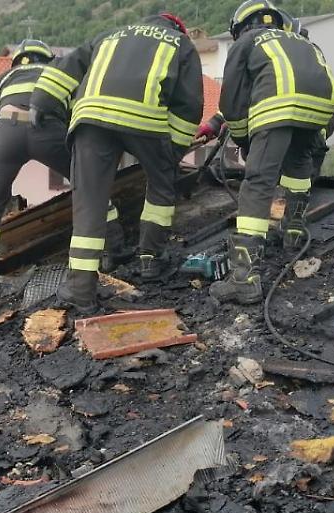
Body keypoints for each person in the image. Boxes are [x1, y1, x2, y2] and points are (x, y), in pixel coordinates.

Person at [30, 13, 204, 313]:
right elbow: (189, 104)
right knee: (161, 188)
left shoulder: (110, 34)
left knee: (90, 200)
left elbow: (64, 70)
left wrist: (41, 102)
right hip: (146, 121)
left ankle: (80, 289)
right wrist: (171, 152)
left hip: (91, 120)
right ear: (177, 28)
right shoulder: (181, 44)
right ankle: (151, 260)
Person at [206, 0, 334, 306]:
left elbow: (233, 103)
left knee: (258, 182)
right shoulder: (305, 43)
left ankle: (244, 279)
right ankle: (294, 235)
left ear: (240, 26)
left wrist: (244, 141)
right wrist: (320, 131)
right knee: (298, 168)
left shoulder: (245, 43)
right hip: (320, 111)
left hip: (279, 107)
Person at [0, 40, 72, 306]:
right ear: (47, 58)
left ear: (16, 60)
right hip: (48, 128)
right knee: (89, 187)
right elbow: (74, 115)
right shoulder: (58, 72)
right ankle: (114, 248)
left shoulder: (2, 79)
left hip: (5, 133)